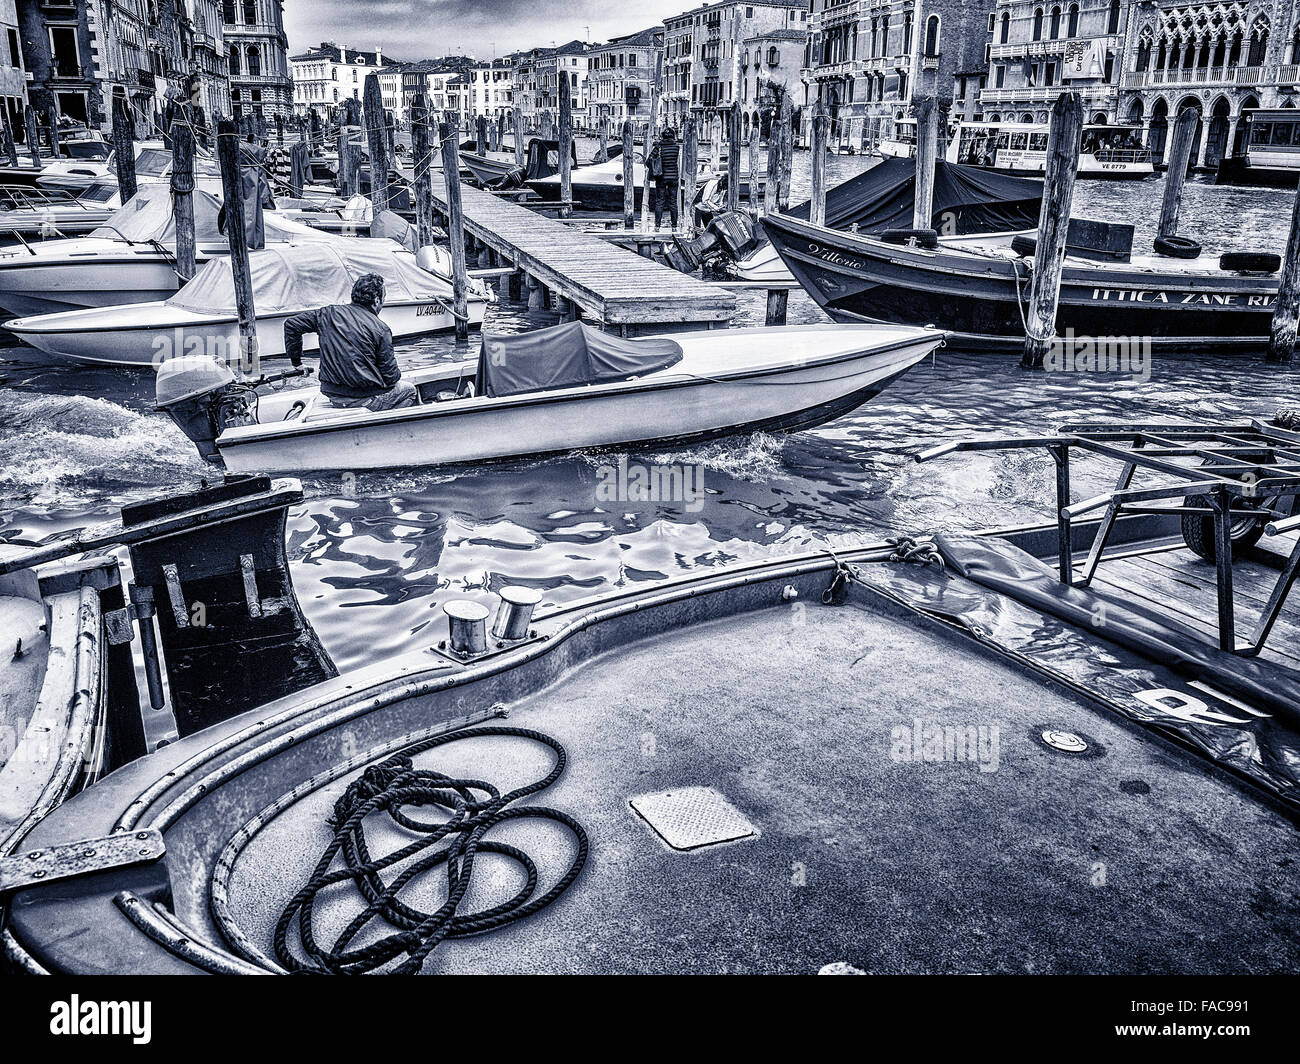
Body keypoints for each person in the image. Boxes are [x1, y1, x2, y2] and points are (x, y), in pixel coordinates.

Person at [283, 273, 418, 412]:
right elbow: (391, 378)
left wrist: (297, 363)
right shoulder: (381, 329)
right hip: (363, 398)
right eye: (384, 299)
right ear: (377, 300)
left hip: (333, 394)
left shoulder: (327, 314)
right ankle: (381, 422)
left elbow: (292, 324)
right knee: (410, 390)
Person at [647, 127, 680, 231]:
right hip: (674, 177)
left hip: (661, 177)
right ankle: (674, 227)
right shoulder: (676, 147)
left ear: (662, 136)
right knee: (673, 202)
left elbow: (648, 161)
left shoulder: (659, 147)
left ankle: (657, 226)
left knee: (660, 202)